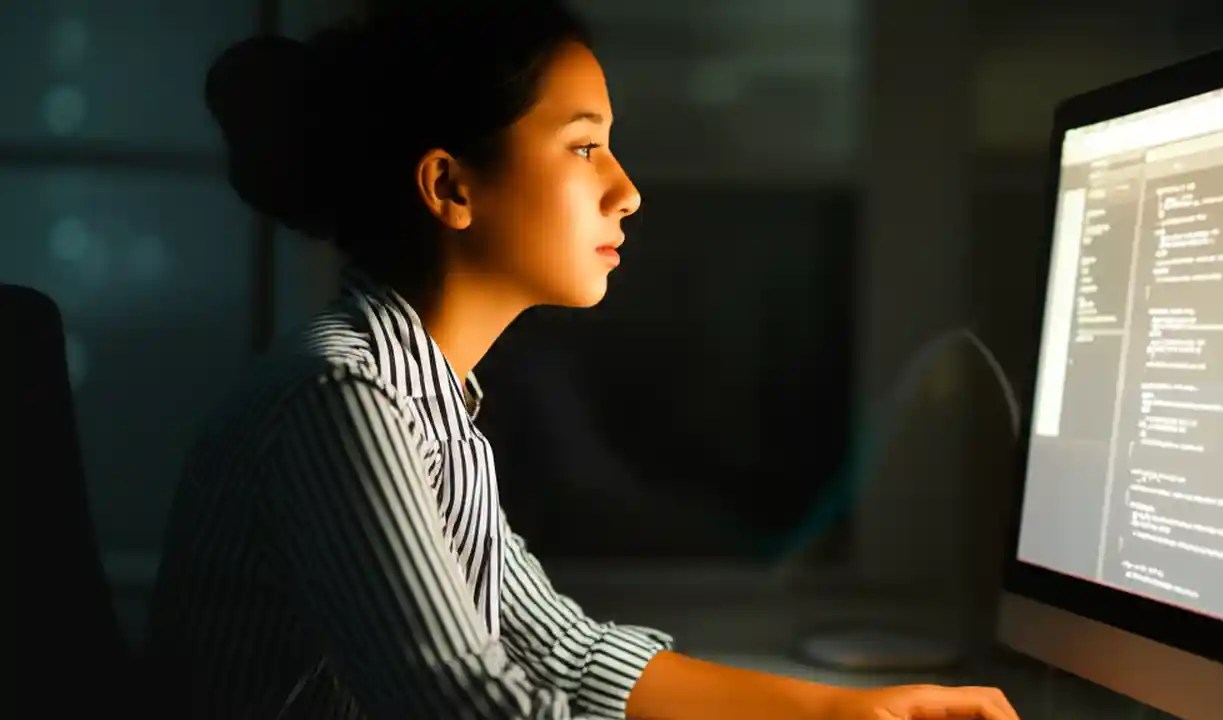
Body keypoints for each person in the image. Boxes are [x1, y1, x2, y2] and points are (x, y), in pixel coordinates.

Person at [142, 2, 1021, 718]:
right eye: (585, 145)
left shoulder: (430, 402)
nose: (626, 191)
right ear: (450, 186)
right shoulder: (343, 397)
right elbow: (466, 706)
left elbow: (562, 647)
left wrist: (844, 715)